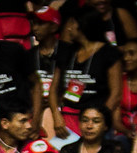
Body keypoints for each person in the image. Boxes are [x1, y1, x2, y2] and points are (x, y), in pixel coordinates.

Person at [48, 7, 122, 136]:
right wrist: (56, 115)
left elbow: (115, 94)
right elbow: (53, 89)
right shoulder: (66, 52)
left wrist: (98, 120)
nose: (69, 28)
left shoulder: (109, 53)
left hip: (95, 119)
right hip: (66, 119)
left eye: (72, 23)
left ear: (83, 25)